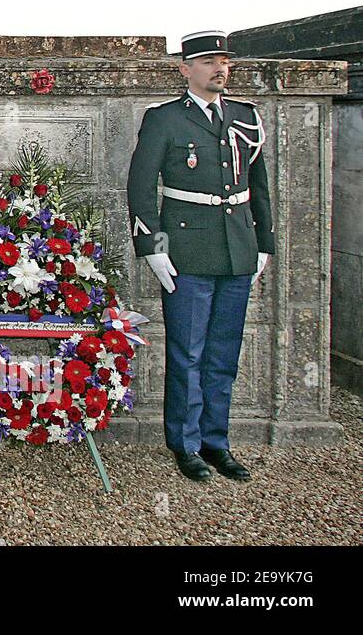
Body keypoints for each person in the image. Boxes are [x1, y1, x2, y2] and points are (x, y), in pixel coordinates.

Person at [127, 31, 273, 482]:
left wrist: (263, 242)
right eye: (208, 61)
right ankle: (186, 444)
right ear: (185, 68)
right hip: (187, 252)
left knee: (223, 355)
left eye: (223, 60)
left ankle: (217, 442)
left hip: (237, 252)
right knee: (187, 353)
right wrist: (153, 248)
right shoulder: (165, 119)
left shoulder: (245, 117)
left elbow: (259, 187)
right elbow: (140, 189)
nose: (219, 68)